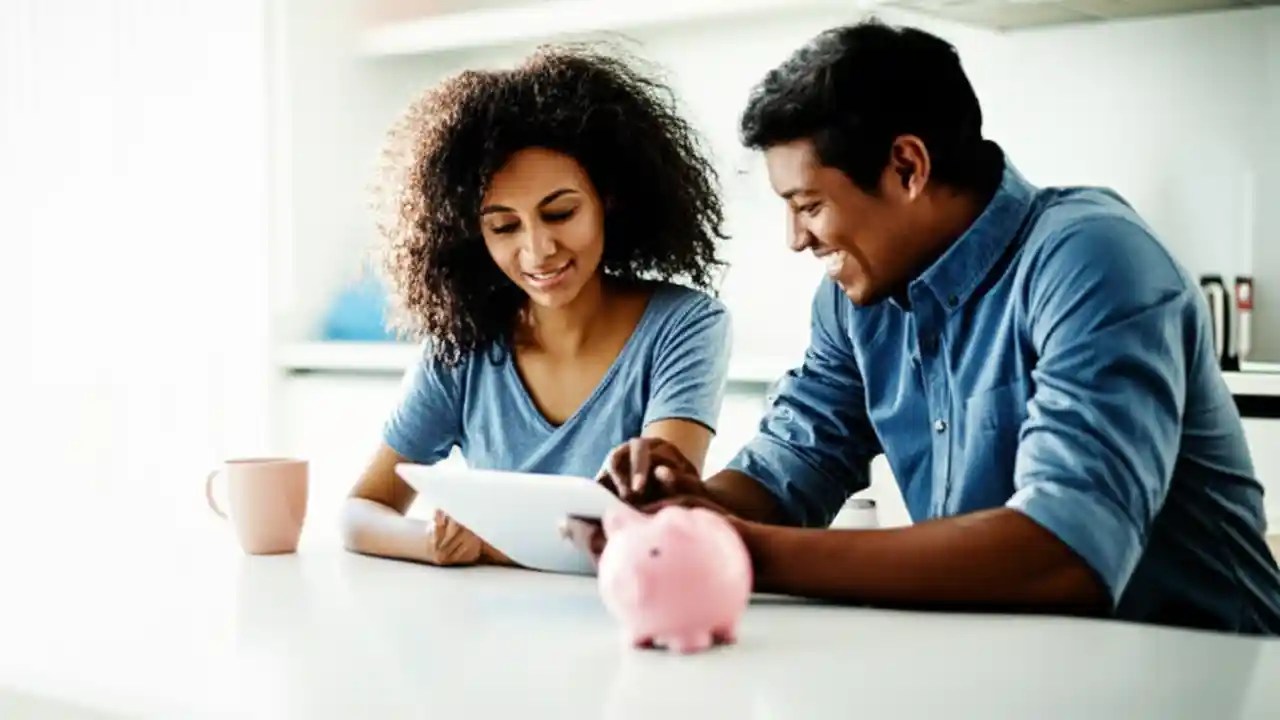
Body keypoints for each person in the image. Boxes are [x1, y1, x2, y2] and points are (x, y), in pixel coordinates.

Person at [578, 20, 1280, 634]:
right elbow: (789, 473)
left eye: (809, 204)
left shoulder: (1090, 257)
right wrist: (676, 508)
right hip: (1015, 670)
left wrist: (737, 551)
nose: (797, 238)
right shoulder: (855, 299)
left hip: (1211, 676)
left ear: (908, 167)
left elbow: (1065, 552)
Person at [343, 46, 731, 567]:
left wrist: (488, 544)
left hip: (626, 619)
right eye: (504, 226)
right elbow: (359, 511)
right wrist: (433, 544)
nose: (537, 250)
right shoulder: (464, 346)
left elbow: (654, 518)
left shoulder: (683, 327)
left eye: (560, 213)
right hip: (493, 632)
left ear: (608, 199)